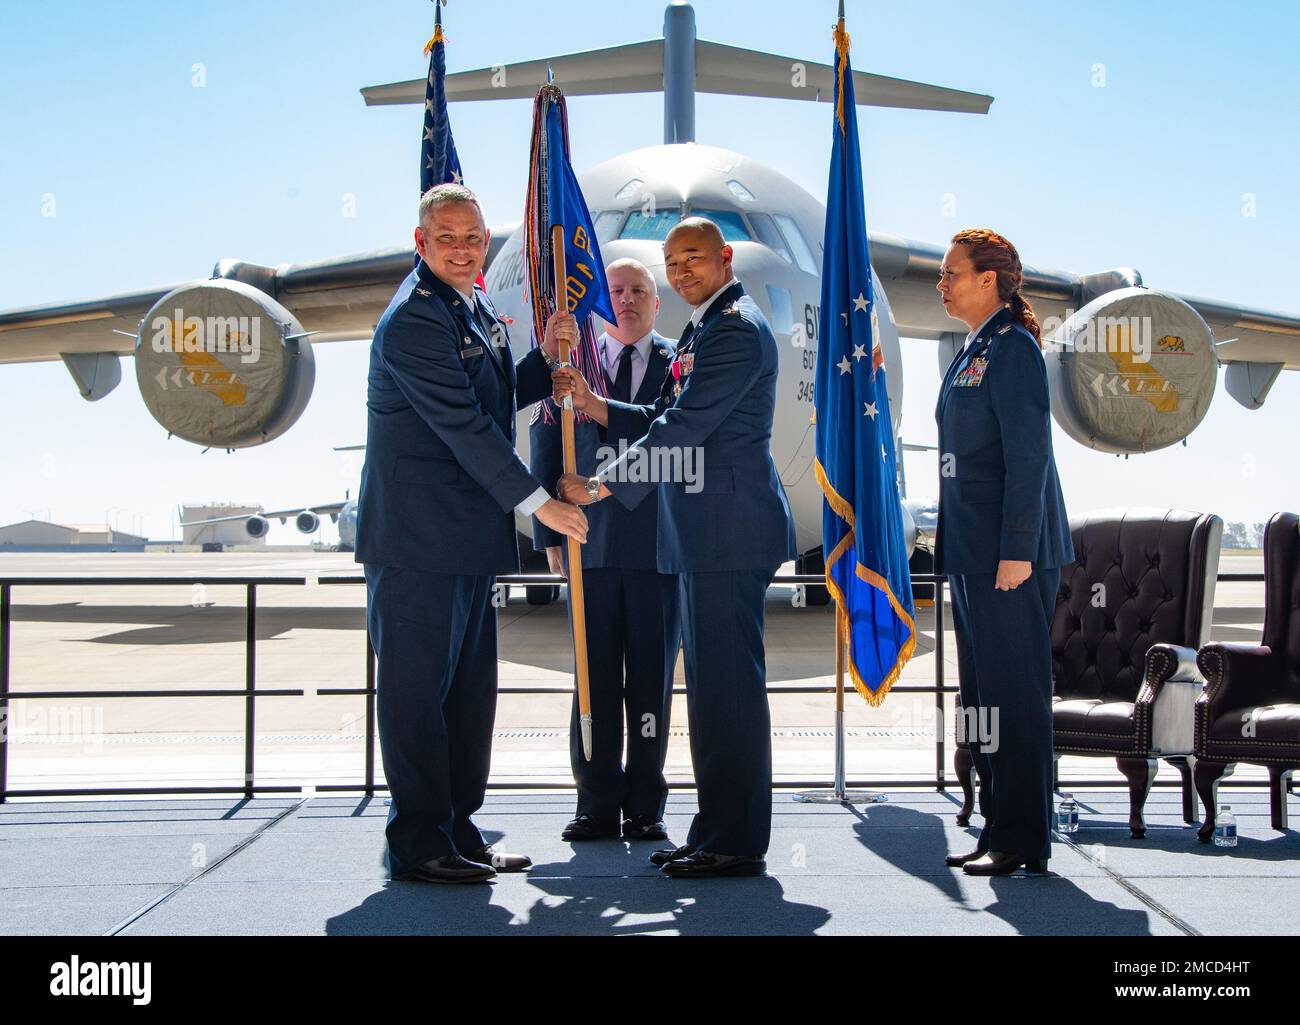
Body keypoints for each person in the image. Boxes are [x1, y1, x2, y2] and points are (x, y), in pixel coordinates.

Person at [356, 182, 589, 885]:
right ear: (420, 243)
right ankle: (418, 841)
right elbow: (463, 427)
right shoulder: (414, 321)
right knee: (416, 695)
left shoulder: (477, 306)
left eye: (474, 237)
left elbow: (489, 395)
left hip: (464, 541)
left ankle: (458, 827)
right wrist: (538, 502)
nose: (463, 249)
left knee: (467, 696)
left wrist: (545, 366)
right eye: (448, 238)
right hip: (416, 543)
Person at [553, 217, 797, 878]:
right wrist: (597, 405)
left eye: (692, 258)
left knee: (729, 695)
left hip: (726, 534)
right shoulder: (709, 325)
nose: (681, 270)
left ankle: (736, 841)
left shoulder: (737, 329)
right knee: (712, 695)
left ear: (723, 258)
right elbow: (664, 414)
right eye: (672, 261)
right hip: (702, 537)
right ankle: (715, 829)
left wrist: (601, 487)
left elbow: (684, 430)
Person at [933, 227, 1074, 876]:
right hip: (972, 552)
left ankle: (1024, 837)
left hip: (1007, 555)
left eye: (951, 273)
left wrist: (1018, 548)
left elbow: (1029, 455)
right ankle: (998, 828)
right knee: (983, 697)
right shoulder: (974, 348)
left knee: (1015, 696)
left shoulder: (1012, 349)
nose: (941, 284)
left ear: (988, 280)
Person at [530, 258, 681, 844]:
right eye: (615, 291)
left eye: (638, 290)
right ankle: (595, 801)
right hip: (586, 546)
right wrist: (547, 536)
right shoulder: (573, 364)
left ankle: (645, 803)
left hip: (657, 550)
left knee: (650, 683)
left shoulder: (678, 365)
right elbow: (548, 440)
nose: (625, 300)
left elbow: (672, 439)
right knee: (590, 679)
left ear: (655, 301)